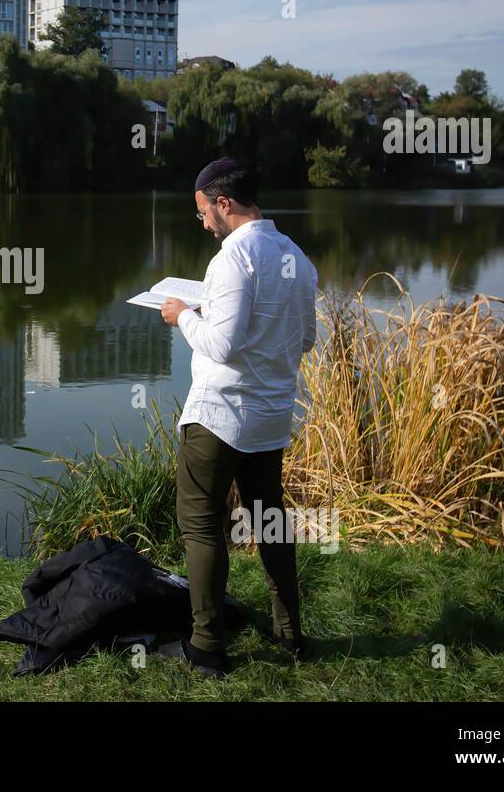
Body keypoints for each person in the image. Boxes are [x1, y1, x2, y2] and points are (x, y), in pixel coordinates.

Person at [159, 157, 318, 679]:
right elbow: (307, 340)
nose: (204, 223)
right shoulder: (296, 256)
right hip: (270, 418)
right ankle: (289, 633)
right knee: (270, 522)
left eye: (204, 212)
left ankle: (206, 649)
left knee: (201, 526)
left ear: (223, 204)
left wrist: (183, 314)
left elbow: (222, 346)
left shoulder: (232, 259)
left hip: (221, 416)